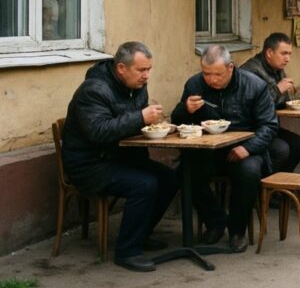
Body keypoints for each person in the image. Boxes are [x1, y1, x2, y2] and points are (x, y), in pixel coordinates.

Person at [61, 41, 177, 273]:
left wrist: (160, 127)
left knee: (169, 178)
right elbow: (98, 132)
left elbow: (131, 125)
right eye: (141, 70)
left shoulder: (136, 86)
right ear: (121, 68)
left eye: (148, 69)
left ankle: (141, 234)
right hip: (90, 164)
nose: (146, 76)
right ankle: (127, 251)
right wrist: (141, 119)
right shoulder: (93, 90)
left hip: (119, 156)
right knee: (145, 184)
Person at [172, 45, 278, 253]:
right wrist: (185, 109)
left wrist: (248, 148)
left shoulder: (254, 85)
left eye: (217, 74)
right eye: (206, 73)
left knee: (248, 172)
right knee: (185, 171)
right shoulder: (194, 84)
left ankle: (237, 230)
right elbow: (177, 120)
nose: (211, 79)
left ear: (231, 68)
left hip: (245, 148)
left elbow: (270, 125)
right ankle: (216, 221)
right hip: (208, 149)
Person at [240, 33, 300, 173]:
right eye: (284, 53)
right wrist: (277, 90)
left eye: (289, 54)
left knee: (299, 144)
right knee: (282, 149)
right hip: (251, 129)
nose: (287, 59)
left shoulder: (277, 68)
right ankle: (264, 188)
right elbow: (249, 108)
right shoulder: (249, 72)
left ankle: (280, 186)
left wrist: (292, 101)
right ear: (269, 52)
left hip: (269, 127)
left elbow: (280, 101)